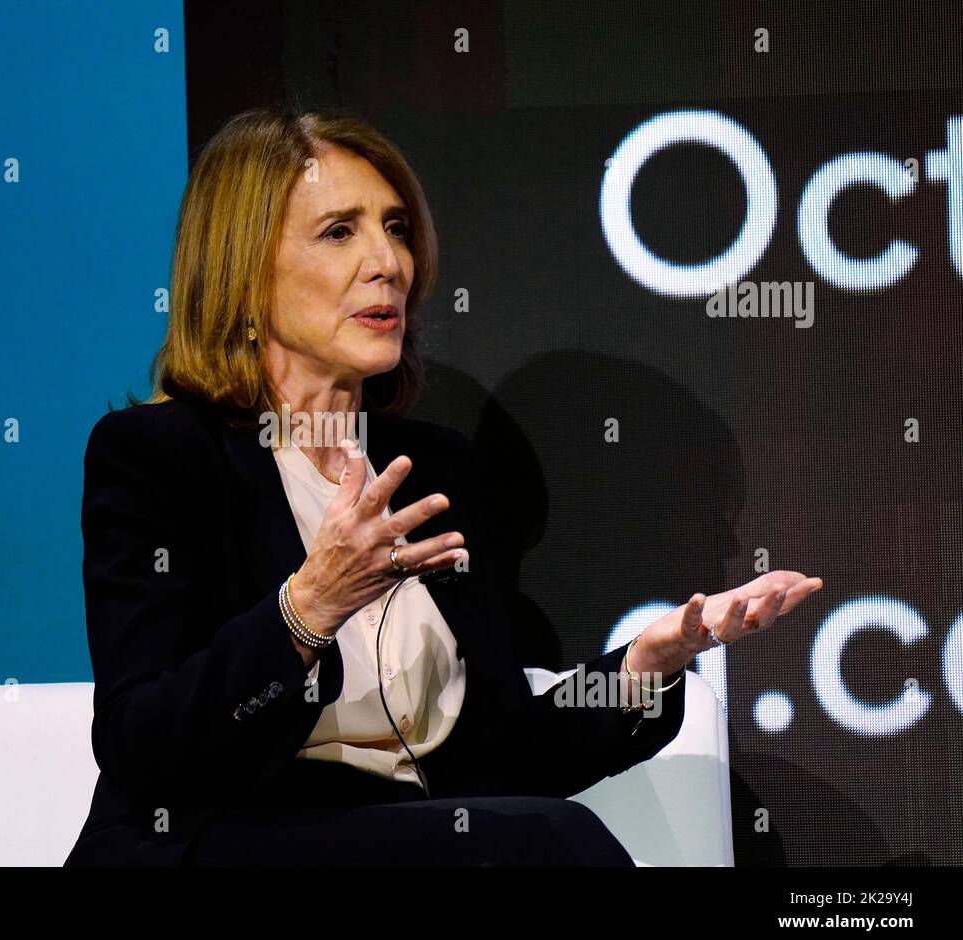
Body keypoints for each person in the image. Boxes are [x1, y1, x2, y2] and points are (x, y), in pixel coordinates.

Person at [63, 105, 823, 867]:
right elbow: (145, 746)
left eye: (395, 229)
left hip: (419, 844)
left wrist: (643, 665)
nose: (388, 263)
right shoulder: (160, 458)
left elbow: (505, 755)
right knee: (549, 843)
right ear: (244, 270)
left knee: (528, 833)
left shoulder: (441, 470)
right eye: (339, 232)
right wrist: (308, 609)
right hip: (220, 838)